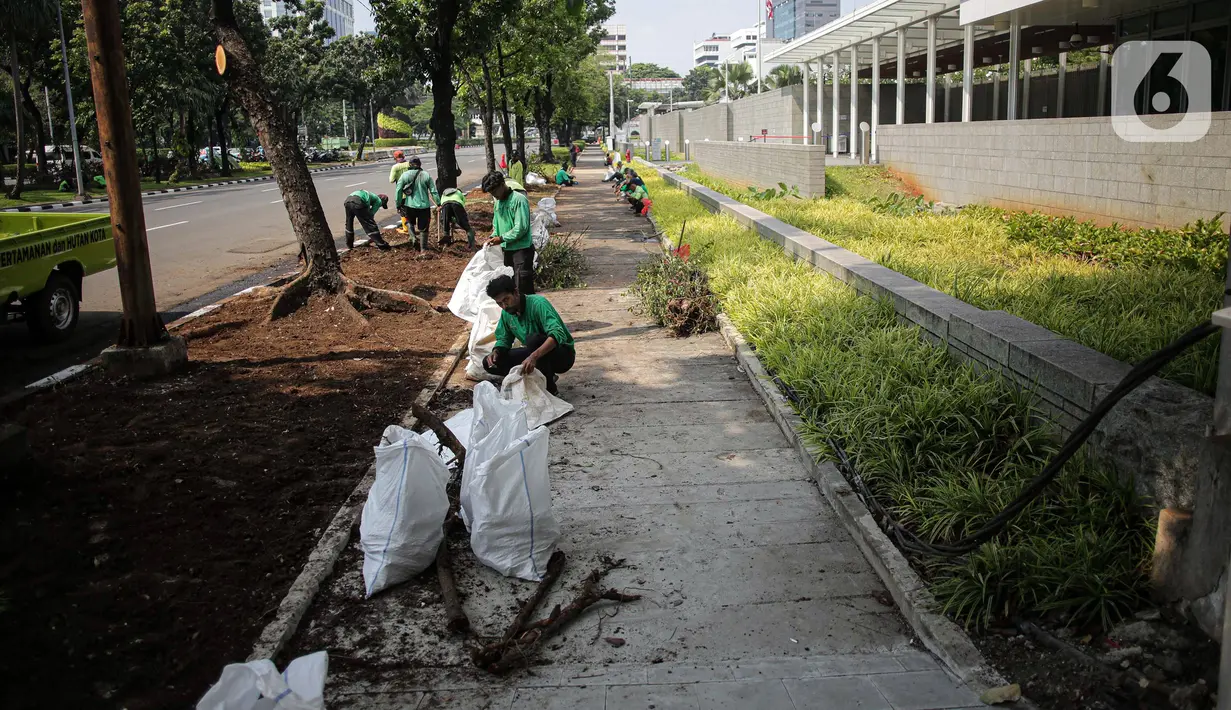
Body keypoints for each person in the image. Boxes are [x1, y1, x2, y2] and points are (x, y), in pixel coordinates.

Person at [482, 274, 574, 395]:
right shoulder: (507, 313)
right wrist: (496, 351)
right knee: (490, 363)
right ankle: (538, 378)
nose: (504, 306)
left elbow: (557, 334)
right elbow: (504, 338)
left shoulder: (538, 303)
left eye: (506, 300)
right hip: (534, 354)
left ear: (515, 292)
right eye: (499, 303)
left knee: (533, 340)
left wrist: (533, 357)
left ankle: (551, 389)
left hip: (562, 355)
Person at [481, 171, 535, 296]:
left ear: (502, 185)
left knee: (523, 287)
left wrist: (501, 238)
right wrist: (493, 236)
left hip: (522, 251)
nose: (494, 195)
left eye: (494, 191)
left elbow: (521, 228)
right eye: (491, 193)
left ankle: (529, 314)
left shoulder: (519, 200)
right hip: (508, 250)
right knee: (511, 289)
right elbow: (497, 224)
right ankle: (515, 314)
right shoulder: (498, 203)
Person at [395, 156, 440, 249]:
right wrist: (438, 203)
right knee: (424, 228)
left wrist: (398, 204)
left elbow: (398, 190)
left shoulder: (405, 175)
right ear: (420, 164)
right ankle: (423, 249)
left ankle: (412, 237)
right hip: (424, 206)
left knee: (409, 222)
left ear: (410, 165)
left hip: (409, 205)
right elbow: (433, 191)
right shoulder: (426, 175)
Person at [388, 150, 411, 234]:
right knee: (412, 210)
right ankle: (412, 227)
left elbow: (391, 180)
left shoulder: (395, 167)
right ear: (403, 156)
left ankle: (406, 229)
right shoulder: (409, 164)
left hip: (402, 193)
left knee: (403, 211)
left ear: (395, 158)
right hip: (412, 192)